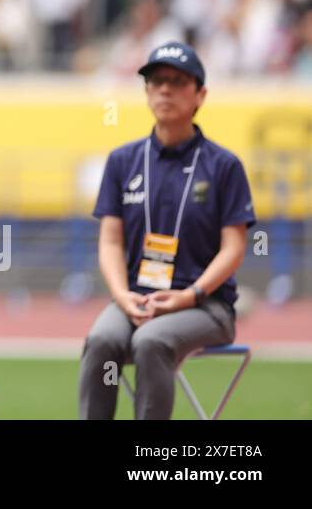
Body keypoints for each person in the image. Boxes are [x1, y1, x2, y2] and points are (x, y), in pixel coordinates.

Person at [78, 41, 256, 419]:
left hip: (207, 306)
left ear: (200, 95)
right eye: (156, 81)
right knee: (100, 340)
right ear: (146, 91)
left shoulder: (224, 166)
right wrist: (122, 296)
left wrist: (189, 295)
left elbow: (234, 248)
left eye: (177, 81)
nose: (164, 89)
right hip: (136, 299)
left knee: (151, 340)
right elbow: (110, 240)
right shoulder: (123, 161)